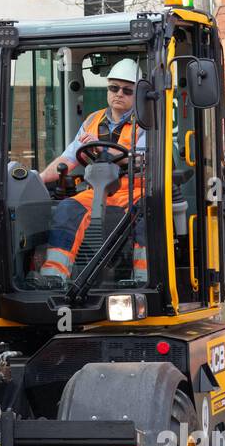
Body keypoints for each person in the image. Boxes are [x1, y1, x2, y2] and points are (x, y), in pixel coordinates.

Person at [30, 58, 147, 287]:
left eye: (127, 90)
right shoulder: (93, 120)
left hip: (134, 192)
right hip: (97, 193)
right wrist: (39, 178)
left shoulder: (144, 123)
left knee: (148, 217)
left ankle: (143, 279)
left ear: (137, 94)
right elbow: (68, 158)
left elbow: (142, 158)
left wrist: (99, 147)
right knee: (66, 209)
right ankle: (54, 276)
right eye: (113, 88)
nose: (119, 94)